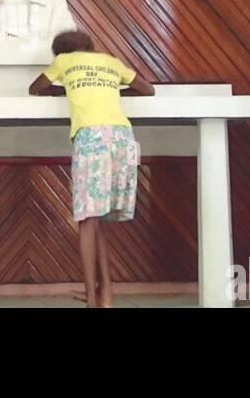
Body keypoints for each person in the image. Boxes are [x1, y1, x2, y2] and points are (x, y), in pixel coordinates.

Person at [29, 31, 155, 307]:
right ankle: (106, 293)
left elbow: (35, 88)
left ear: (61, 52)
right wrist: (107, 88)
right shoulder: (110, 62)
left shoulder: (64, 62)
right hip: (122, 138)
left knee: (87, 218)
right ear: (89, 47)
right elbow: (148, 89)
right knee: (96, 218)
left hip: (92, 139)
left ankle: (91, 300)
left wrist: (67, 87)